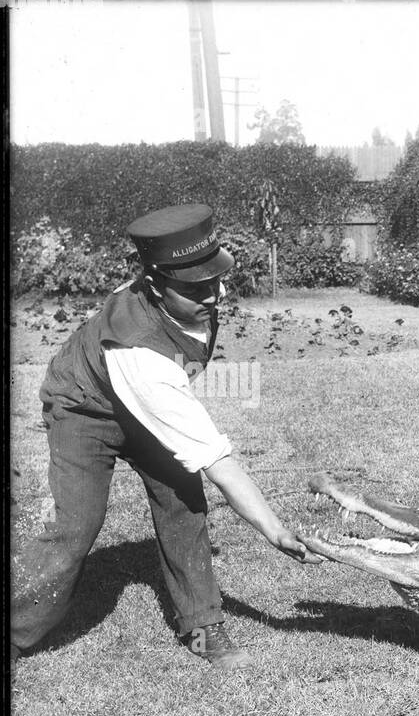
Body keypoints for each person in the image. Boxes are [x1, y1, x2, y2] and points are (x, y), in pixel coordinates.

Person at [10, 203, 319, 670]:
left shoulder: (185, 291)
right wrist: (275, 530)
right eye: (196, 288)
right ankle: (16, 629)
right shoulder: (140, 353)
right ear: (154, 285)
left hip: (146, 399)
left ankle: (202, 621)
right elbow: (219, 462)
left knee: (183, 499)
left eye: (214, 280)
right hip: (85, 407)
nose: (213, 296)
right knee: (76, 524)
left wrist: (199, 290)